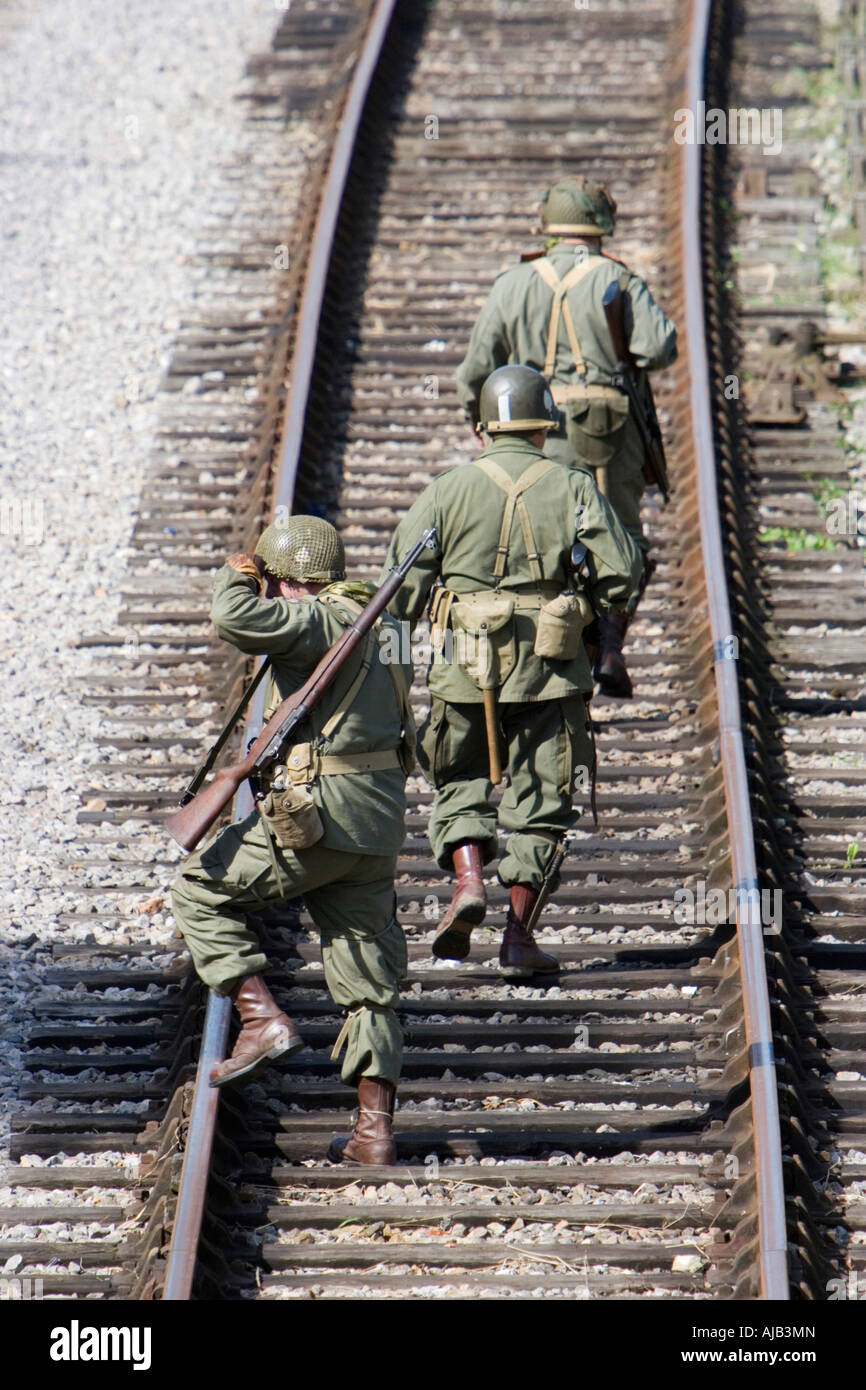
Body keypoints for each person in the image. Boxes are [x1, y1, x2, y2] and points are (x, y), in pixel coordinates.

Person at [380, 365, 641, 978]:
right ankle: (518, 939)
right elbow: (622, 574)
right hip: (552, 673)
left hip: (465, 670)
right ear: (546, 426)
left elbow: (400, 589)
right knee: (543, 804)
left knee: (458, 781)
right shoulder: (574, 485)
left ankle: (468, 880)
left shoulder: (447, 489)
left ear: (483, 429)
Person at [170, 516, 415, 1165]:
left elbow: (234, 621)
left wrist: (235, 573)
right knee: (369, 979)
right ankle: (373, 1132)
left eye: (271, 585)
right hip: (375, 823)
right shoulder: (386, 627)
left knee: (197, 890)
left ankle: (260, 1018)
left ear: (285, 583)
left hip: (319, 817)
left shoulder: (315, 622)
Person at [456, 176, 677, 697]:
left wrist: (477, 416)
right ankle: (611, 650)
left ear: (549, 226)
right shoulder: (619, 279)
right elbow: (661, 348)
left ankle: (546, 652)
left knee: (543, 540)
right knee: (621, 540)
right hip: (611, 429)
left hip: (536, 430)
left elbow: (474, 370)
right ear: (602, 226)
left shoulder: (513, 281)